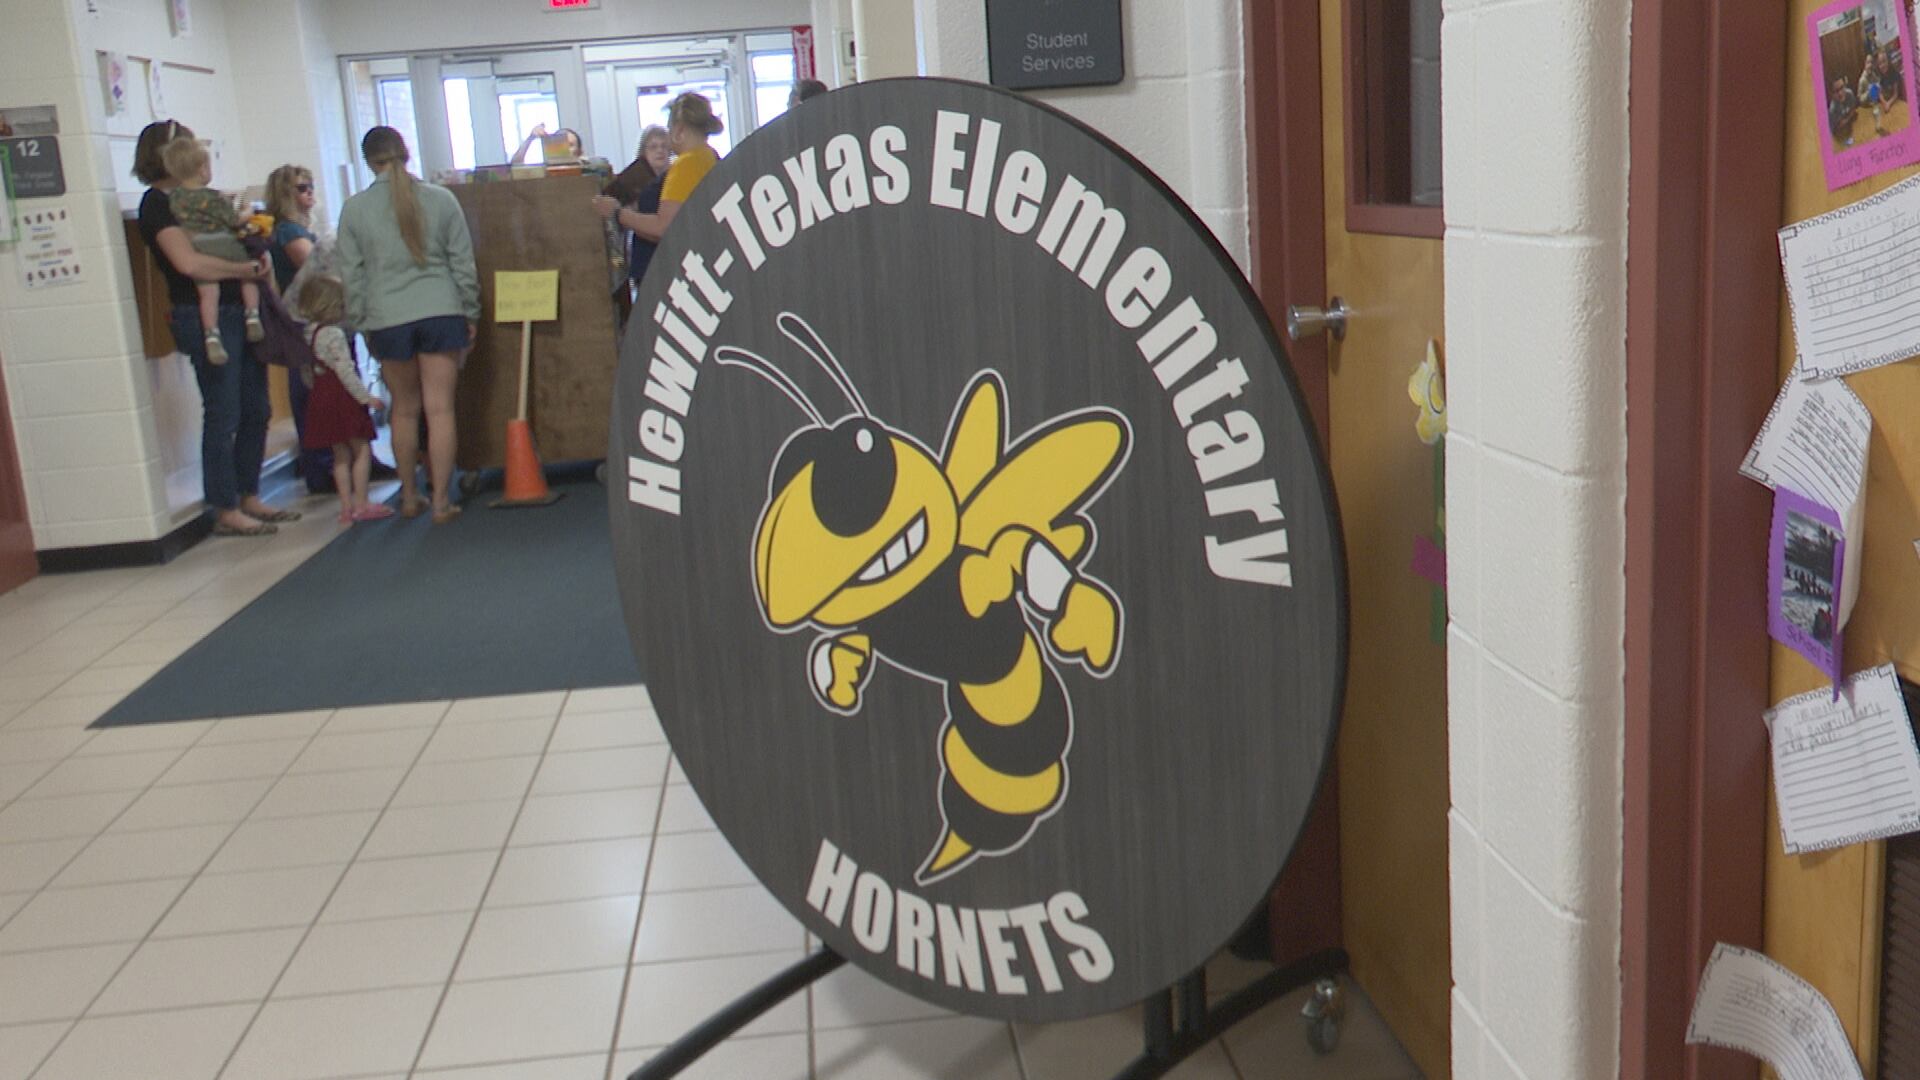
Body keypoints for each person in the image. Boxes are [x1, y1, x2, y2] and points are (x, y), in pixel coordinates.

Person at [133, 120, 297, 537]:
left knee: (256, 407)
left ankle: (248, 492)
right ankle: (224, 505)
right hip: (201, 310)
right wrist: (242, 269)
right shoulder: (156, 204)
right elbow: (189, 264)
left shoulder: (203, 199)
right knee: (223, 410)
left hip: (239, 309)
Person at [337, 126, 479, 525]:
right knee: (440, 409)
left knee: (403, 411)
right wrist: (470, 313)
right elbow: (462, 265)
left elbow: (353, 276)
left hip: (388, 318)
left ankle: (411, 497)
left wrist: (364, 323)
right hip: (440, 310)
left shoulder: (355, 210)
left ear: (369, 162)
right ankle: (441, 503)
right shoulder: (441, 200)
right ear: (407, 154)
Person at [294, 275, 390, 525]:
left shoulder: (309, 334)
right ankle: (362, 503)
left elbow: (306, 369)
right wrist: (367, 398)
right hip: (342, 397)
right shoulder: (334, 334)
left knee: (339, 455)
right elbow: (345, 370)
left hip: (321, 394)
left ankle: (346, 506)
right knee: (361, 449)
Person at [162, 137, 265, 364]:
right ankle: (252, 315)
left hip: (199, 244)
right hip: (223, 242)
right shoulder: (212, 196)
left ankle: (211, 335)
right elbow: (234, 220)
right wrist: (247, 210)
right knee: (248, 273)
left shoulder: (175, 198)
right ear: (202, 170)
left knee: (208, 292)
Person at [592, 93, 722, 251]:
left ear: (679, 129)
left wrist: (618, 213)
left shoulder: (686, 164)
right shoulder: (709, 156)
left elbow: (665, 228)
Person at [601, 125, 671, 294]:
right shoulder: (632, 180)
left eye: (664, 146)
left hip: (669, 251)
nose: (659, 151)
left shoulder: (674, 177)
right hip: (645, 252)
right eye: (653, 147)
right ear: (643, 152)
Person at [510, 123, 584, 165]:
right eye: (560, 144)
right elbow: (515, 165)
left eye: (570, 145)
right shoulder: (543, 171)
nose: (565, 148)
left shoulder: (586, 170)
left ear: (579, 152)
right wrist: (530, 138)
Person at [1830, 77, 1859, 146]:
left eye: (1842, 87)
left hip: (1852, 127)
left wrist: (1847, 119)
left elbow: (1853, 109)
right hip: (1841, 135)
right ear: (1831, 94)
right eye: (1836, 91)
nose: (1840, 93)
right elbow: (1838, 126)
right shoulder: (1833, 109)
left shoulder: (1850, 93)